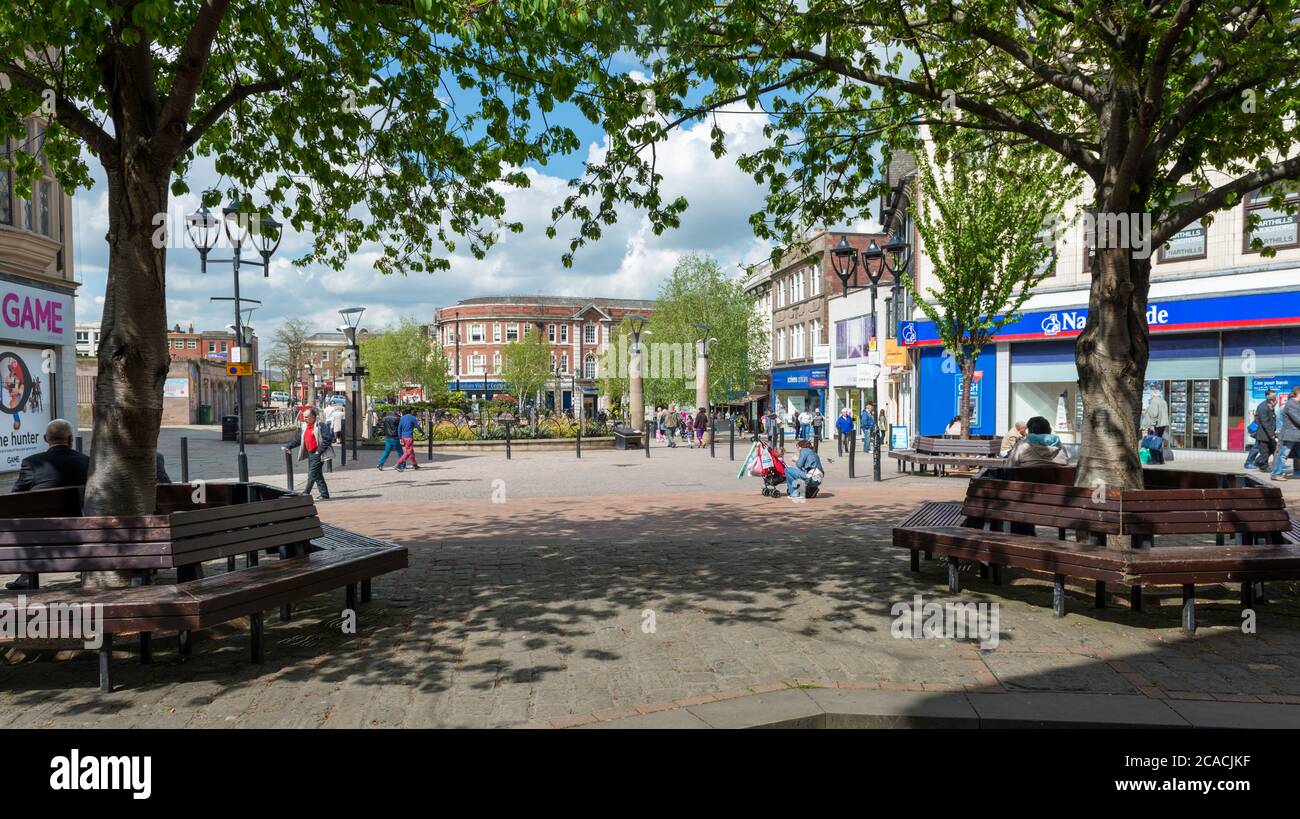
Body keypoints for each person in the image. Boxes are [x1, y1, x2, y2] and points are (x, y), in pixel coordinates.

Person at [7, 419, 89, 590]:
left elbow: (16, 495)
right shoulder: (87, 462)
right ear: (70, 439)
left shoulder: (32, 463)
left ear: (45, 438)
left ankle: (26, 576)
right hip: (80, 529)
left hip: (42, 532)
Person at [284, 407, 333, 499]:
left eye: (306, 417)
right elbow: (299, 439)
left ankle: (306, 493)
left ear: (313, 417)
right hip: (311, 453)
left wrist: (319, 451)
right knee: (317, 474)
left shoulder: (320, 425)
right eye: (304, 417)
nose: (304, 419)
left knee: (312, 474)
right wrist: (289, 446)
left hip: (318, 453)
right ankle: (324, 494)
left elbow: (327, 439)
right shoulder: (305, 426)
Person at [1270, 387, 1300, 480]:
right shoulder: (1291, 404)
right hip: (1290, 435)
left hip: (1296, 435)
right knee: (1283, 454)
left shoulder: (1296, 404)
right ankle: (1276, 474)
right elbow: (1297, 419)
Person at [395, 406, 424, 470]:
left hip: (403, 437)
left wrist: (400, 438)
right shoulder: (412, 418)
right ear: (411, 411)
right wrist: (422, 432)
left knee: (411, 451)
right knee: (408, 451)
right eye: (412, 410)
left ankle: (414, 465)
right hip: (409, 437)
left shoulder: (402, 418)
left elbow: (399, 428)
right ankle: (398, 464)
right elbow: (417, 426)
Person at [1254, 390, 1278, 471]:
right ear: (1267, 396)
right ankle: (1263, 467)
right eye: (1273, 395)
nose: (1275, 396)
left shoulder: (1269, 406)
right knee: (1265, 451)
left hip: (1268, 433)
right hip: (1263, 434)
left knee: (1272, 449)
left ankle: (1258, 462)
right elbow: (1265, 423)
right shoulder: (1263, 407)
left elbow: (1272, 419)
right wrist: (1271, 434)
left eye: (1275, 395)